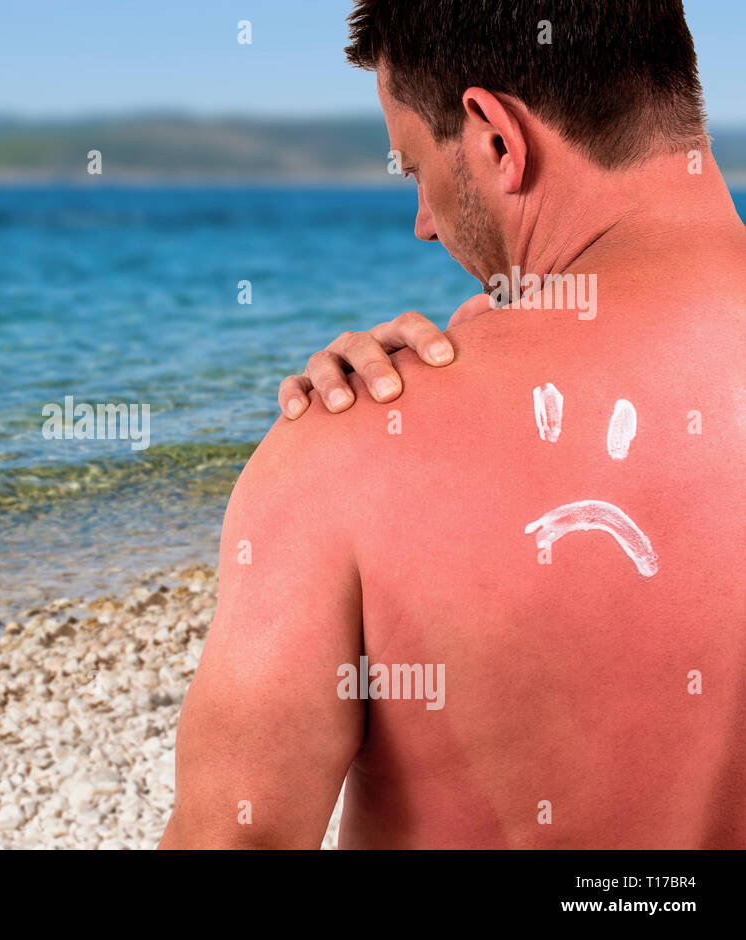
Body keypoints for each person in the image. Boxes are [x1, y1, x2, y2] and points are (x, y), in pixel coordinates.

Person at [160, 0, 746, 849]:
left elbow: (235, 838)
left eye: (412, 170)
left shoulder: (350, 447)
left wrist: (346, 440)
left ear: (496, 138)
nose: (424, 222)